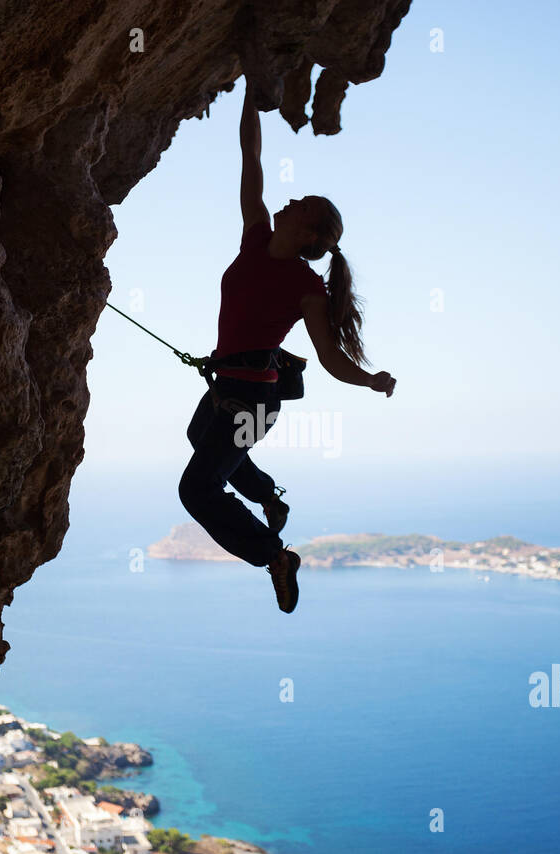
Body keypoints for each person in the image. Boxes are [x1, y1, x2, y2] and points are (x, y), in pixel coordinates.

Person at [178, 80, 396, 614]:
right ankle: (269, 496)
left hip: (254, 402)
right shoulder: (255, 235)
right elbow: (250, 157)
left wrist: (370, 379)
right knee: (195, 434)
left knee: (197, 491)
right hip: (231, 385)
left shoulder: (307, 286)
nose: (293, 198)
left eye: (305, 205)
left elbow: (328, 356)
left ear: (307, 234)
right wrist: (253, 92)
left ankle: (275, 556)